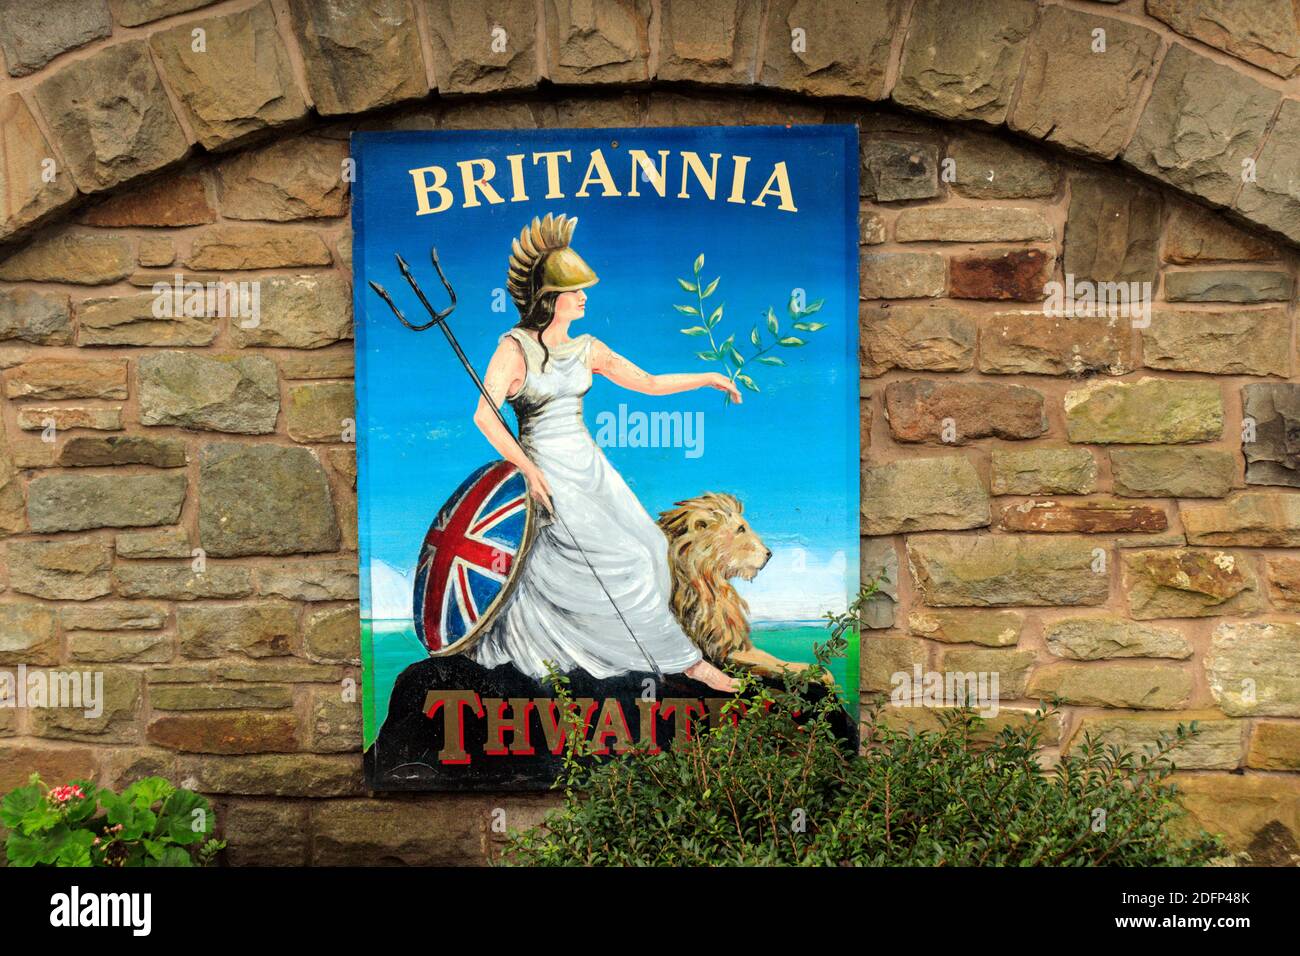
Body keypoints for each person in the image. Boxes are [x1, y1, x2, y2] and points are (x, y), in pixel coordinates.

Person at [466, 214, 740, 693]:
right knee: (624, 561)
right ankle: (685, 664)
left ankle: (634, 652)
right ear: (551, 298)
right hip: (546, 468)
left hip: (589, 467)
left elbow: (648, 382)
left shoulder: (586, 348)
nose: (585, 296)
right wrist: (528, 471)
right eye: (576, 290)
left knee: (652, 549)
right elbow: (485, 417)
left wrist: (707, 377)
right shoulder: (514, 350)